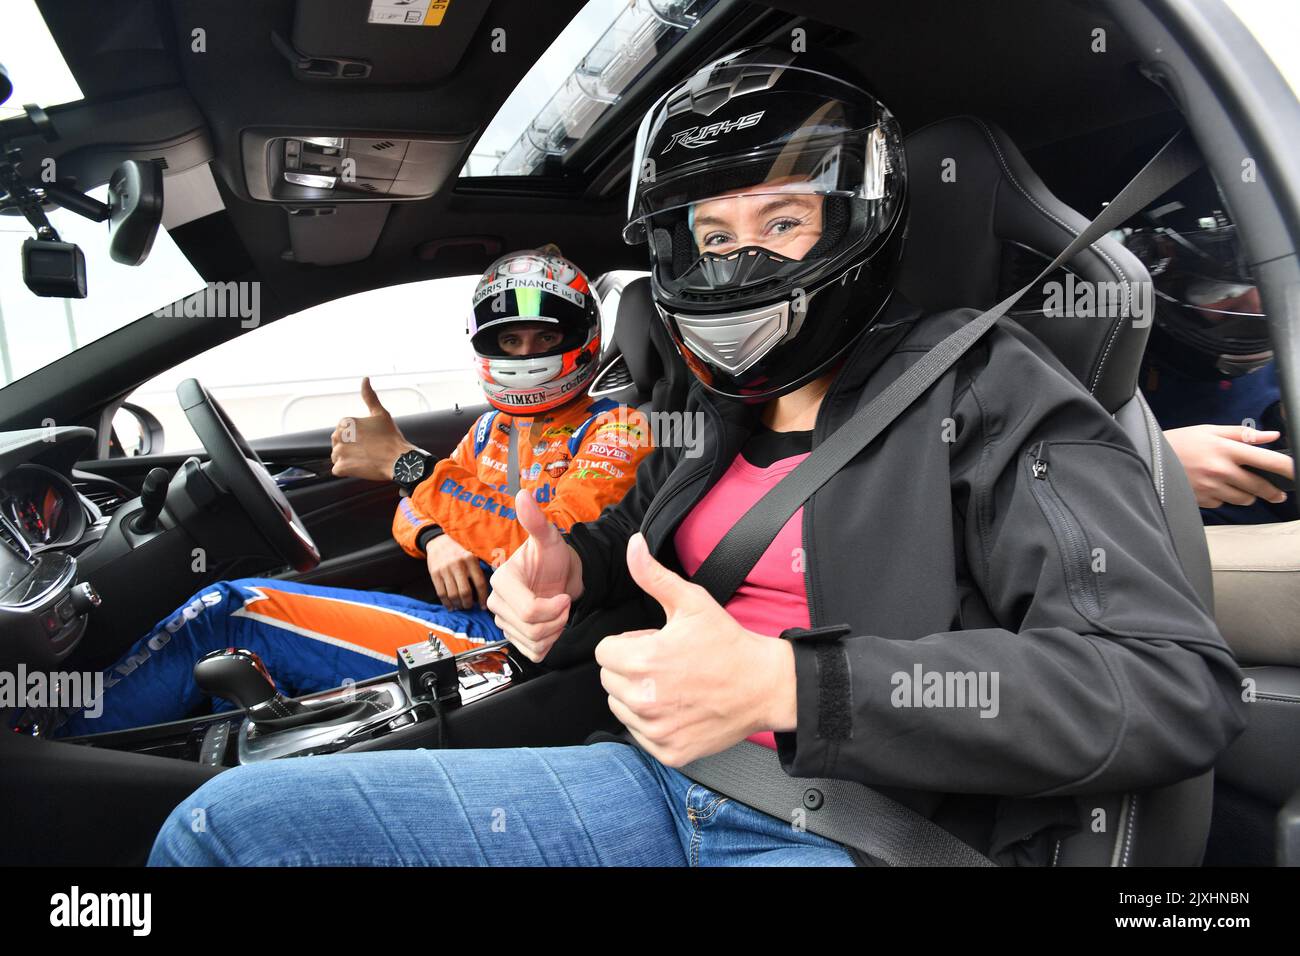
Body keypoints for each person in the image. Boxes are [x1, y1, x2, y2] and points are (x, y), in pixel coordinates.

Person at [149, 47, 1248, 867]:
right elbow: (641, 586)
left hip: (860, 827)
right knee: (219, 831)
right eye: (713, 237)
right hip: (658, 774)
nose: (738, 263)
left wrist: (792, 683)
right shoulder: (713, 414)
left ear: (856, 222)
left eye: (782, 220)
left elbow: (1164, 685)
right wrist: (561, 586)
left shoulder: (992, 390)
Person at [30, 249, 653, 737]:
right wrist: (436, 536)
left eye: (544, 339)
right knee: (223, 617)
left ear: (580, 337)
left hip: (512, 646)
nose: (526, 353)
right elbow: (413, 509)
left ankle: (60, 750)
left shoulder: (618, 429)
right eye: (510, 340)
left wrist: (409, 466)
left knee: (227, 612)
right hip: (467, 620)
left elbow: (549, 556)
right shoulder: (493, 427)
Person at [1120, 175, 1295, 523]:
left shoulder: (1288, 354)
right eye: (1225, 292)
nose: (1259, 305)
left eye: (1267, 281)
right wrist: (1147, 465)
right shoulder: (1099, 360)